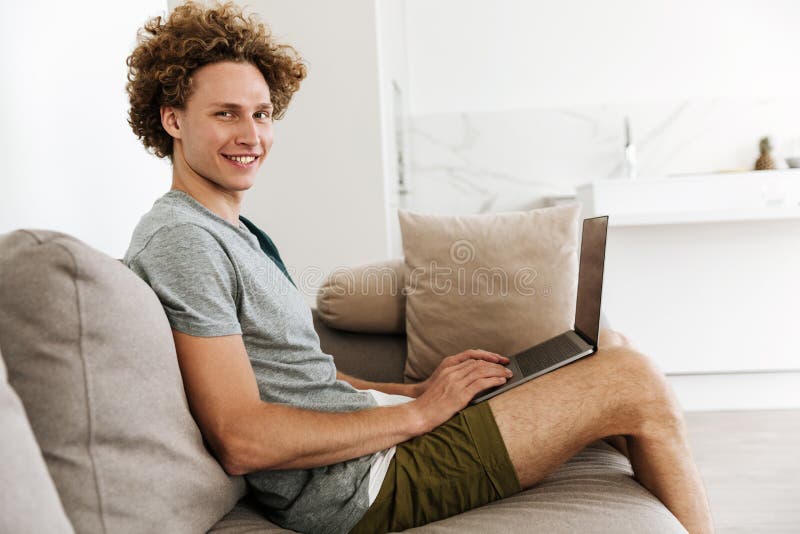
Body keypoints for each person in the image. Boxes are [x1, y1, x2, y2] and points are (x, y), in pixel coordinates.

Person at [123, 2, 714, 533]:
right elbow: (242, 438)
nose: (251, 134)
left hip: (369, 449)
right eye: (226, 114)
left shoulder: (231, 232)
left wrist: (408, 392)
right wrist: (420, 415)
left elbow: (299, 378)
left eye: (262, 113)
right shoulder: (184, 240)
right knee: (633, 380)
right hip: (356, 489)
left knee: (606, 345)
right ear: (173, 120)